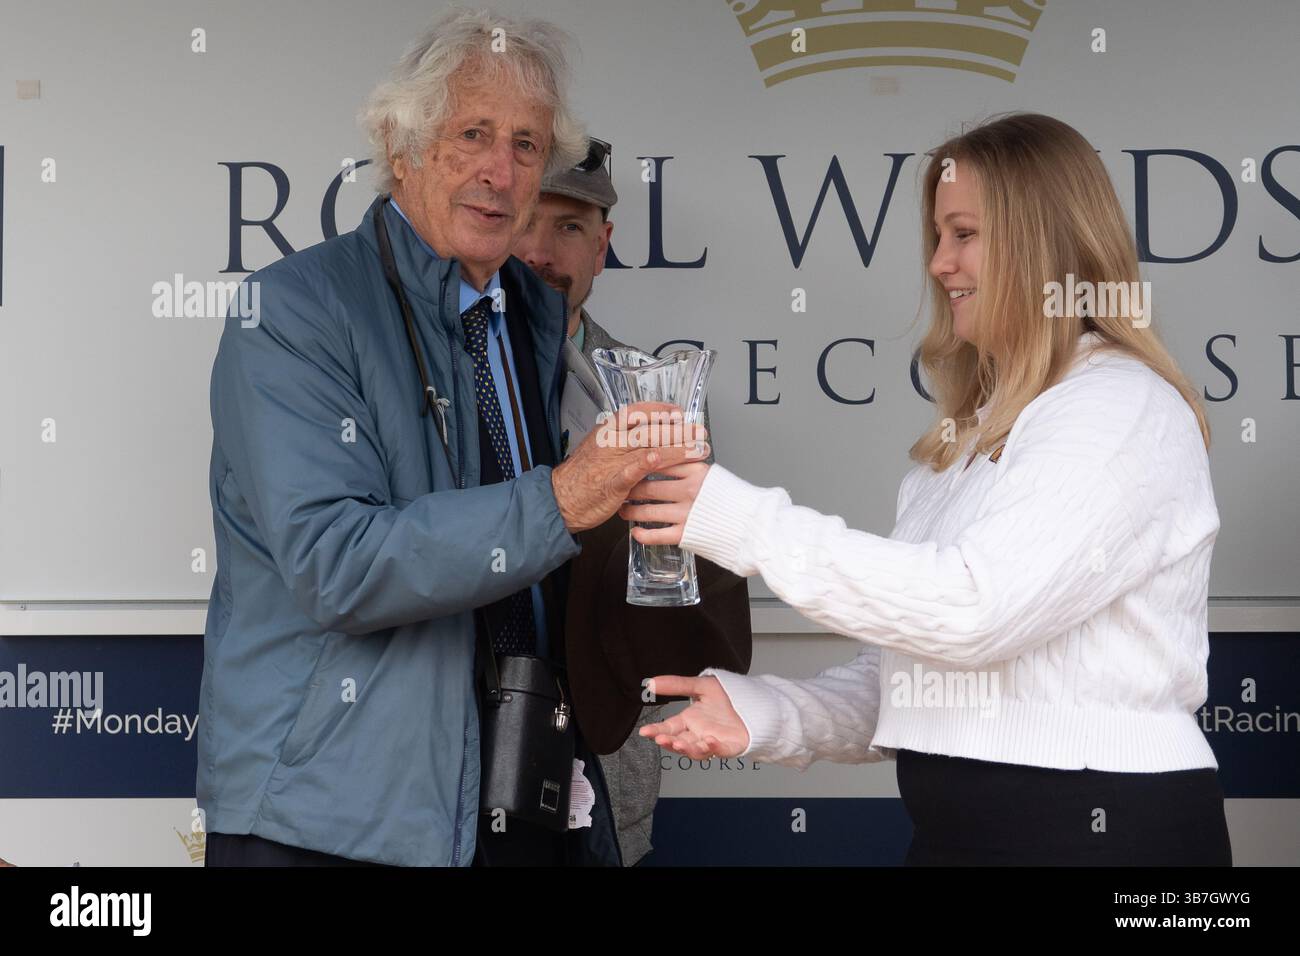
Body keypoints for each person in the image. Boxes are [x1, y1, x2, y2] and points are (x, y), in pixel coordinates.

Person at [620, 113, 1233, 866]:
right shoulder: (970, 436)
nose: (940, 265)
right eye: (938, 238)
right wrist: (771, 714)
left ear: (1041, 243)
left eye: (964, 234)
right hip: (962, 837)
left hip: (1100, 833)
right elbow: (929, 672)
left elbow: (975, 611)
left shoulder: (1119, 407)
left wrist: (740, 522)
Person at [198, 9, 708, 867]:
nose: (499, 171)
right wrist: (565, 499)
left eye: (524, 145)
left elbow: (537, 562)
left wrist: (664, 535)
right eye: (472, 134)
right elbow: (336, 563)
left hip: (518, 788)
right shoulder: (293, 309)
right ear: (402, 149)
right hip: (330, 816)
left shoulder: (532, 318)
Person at [512, 139, 753, 866]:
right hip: (452, 767)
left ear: (603, 245)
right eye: (526, 221)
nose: (542, 252)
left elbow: (693, 608)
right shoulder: (428, 380)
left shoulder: (653, 396)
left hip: (603, 772)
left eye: (570, 227)